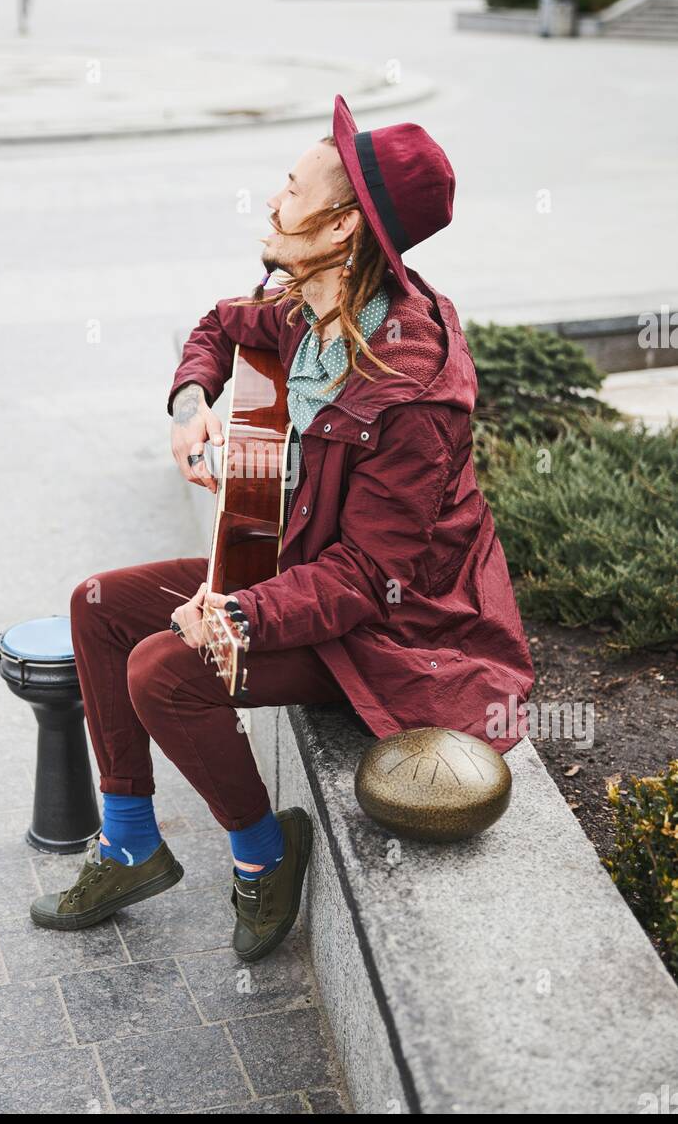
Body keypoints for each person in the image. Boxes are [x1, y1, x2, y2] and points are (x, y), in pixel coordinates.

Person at [29, 94, 534, 962]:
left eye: (290, 190)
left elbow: (367, 576)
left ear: (341, 228)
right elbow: (220, 324)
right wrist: (194, 403)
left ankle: (265, 853)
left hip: (397, 631)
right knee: (98, 603)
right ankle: (130, 844)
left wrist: (239, 615)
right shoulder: (315, 308)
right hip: (300, 564)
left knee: (165, 670)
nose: (271, 201)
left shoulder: (409, 393)